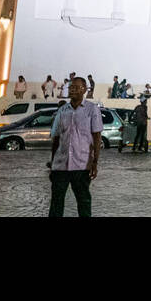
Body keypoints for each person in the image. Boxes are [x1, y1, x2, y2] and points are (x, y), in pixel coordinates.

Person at [48, 76, 102, 217]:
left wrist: (95, 162)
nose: (72, 90)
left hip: (82, 164)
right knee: (56, 202)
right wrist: (52, 163)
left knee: (83, 201)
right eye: (71, 87)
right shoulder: (62, 111)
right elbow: (56, 139)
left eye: (76, 87)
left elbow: (96, 137)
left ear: (84, 89)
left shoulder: (92, 110)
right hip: (61, 165)